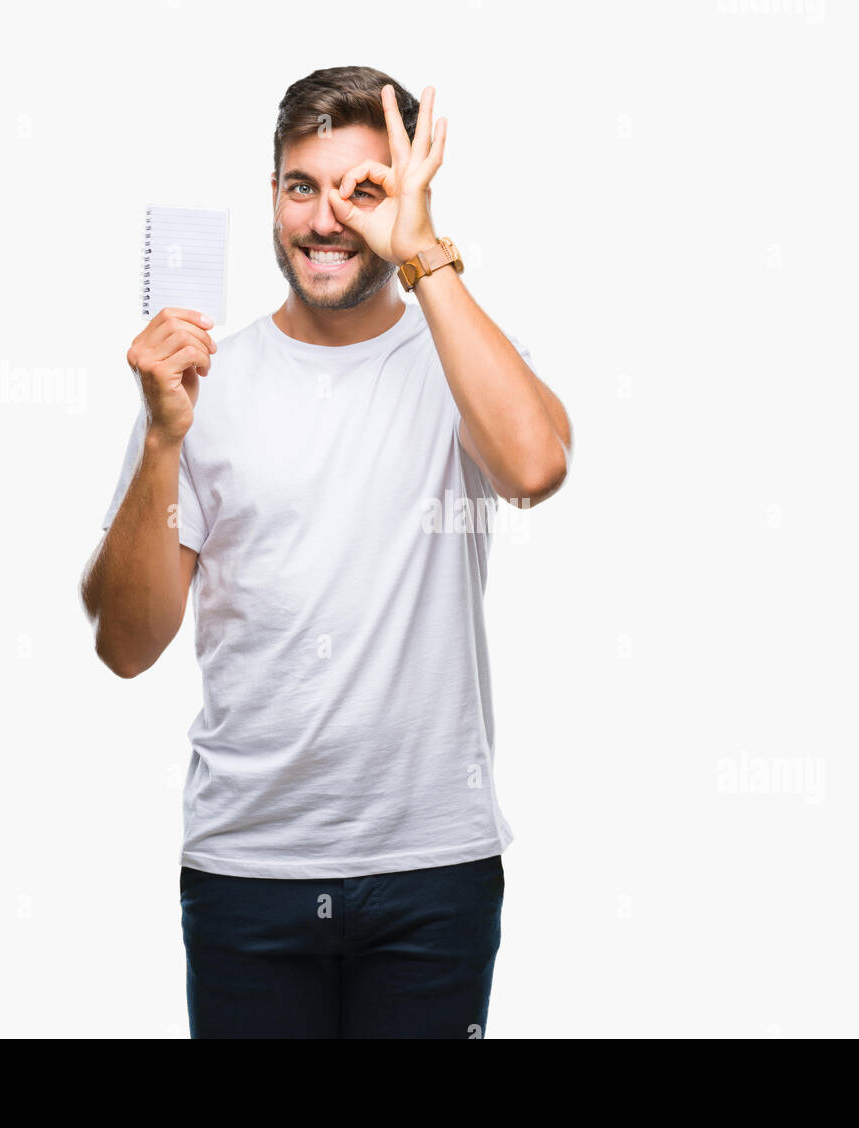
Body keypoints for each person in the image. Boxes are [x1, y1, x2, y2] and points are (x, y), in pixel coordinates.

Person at [79, 66, 572, 1038]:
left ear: (407, 201)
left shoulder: (454, 354)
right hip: (248, 871)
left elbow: (534, 468)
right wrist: (164, 439)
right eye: (303, 185)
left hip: (433, 867)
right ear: (271, 196)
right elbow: (125, 645)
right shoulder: (196, 382)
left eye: (365, 190)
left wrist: (426, 253)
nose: (326, 218)